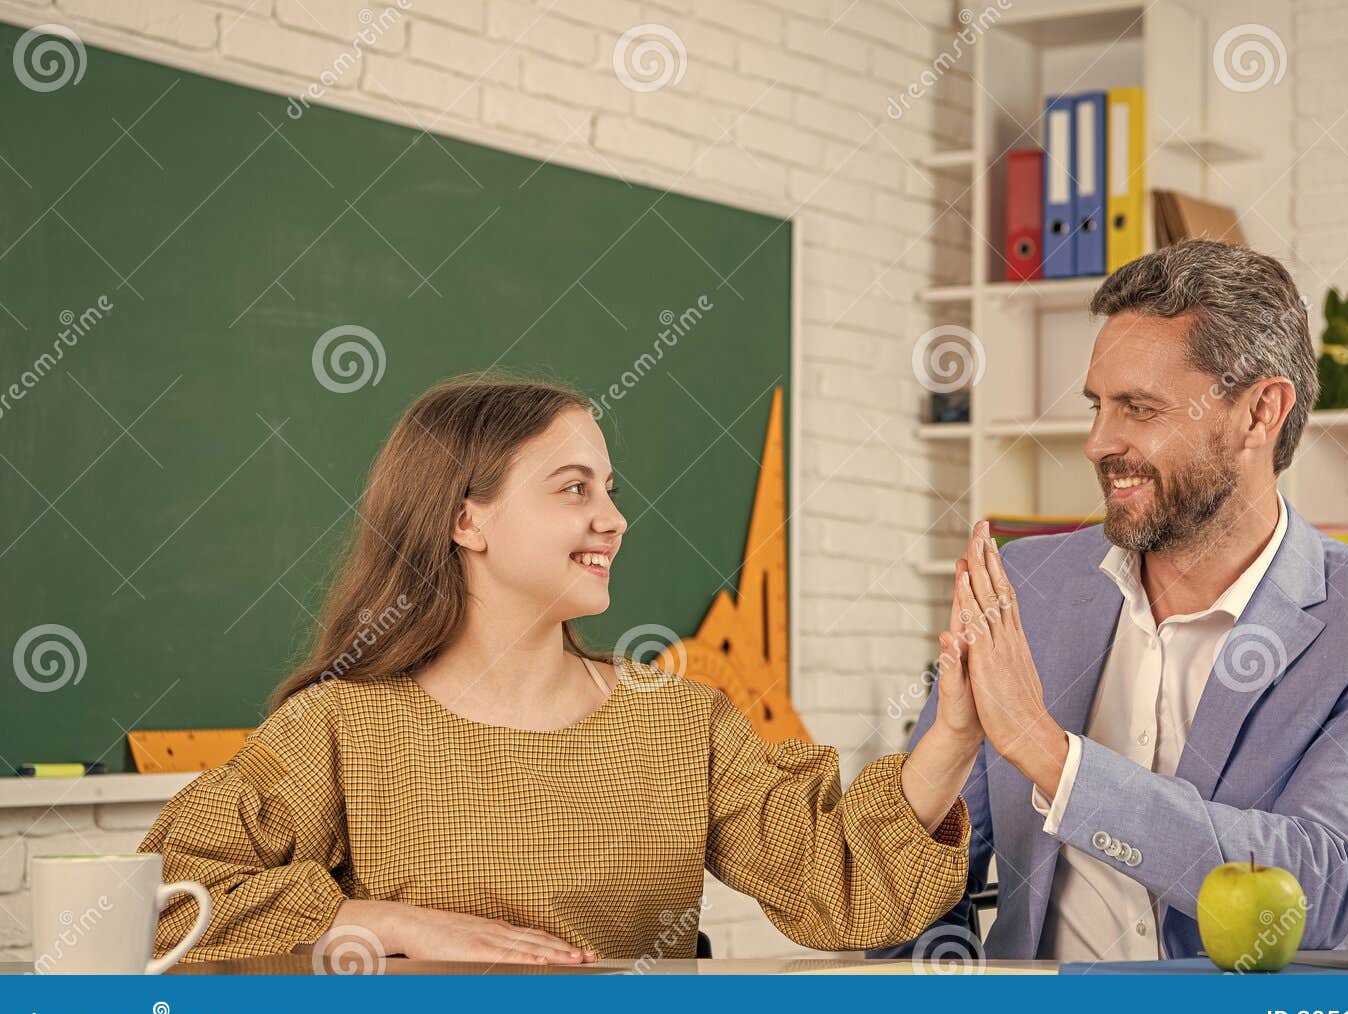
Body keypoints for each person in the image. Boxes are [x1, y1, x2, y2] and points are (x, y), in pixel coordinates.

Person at [139, 373, 980, 965]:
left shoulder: (682, 721)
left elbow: (844, 888)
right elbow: (172, 897)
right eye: (574, 489)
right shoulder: (343, 724)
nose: (613, 519)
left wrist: (954, 729)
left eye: (609, 489)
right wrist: (391, 922)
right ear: (467, 520)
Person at [875, 239, 1348, 963]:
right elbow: (917, 877)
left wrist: (1049, 753)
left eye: (1139, 407)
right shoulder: (1027, 587)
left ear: (1261, 413)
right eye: (1099, 405)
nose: (1099, 441)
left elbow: (1323, 887)